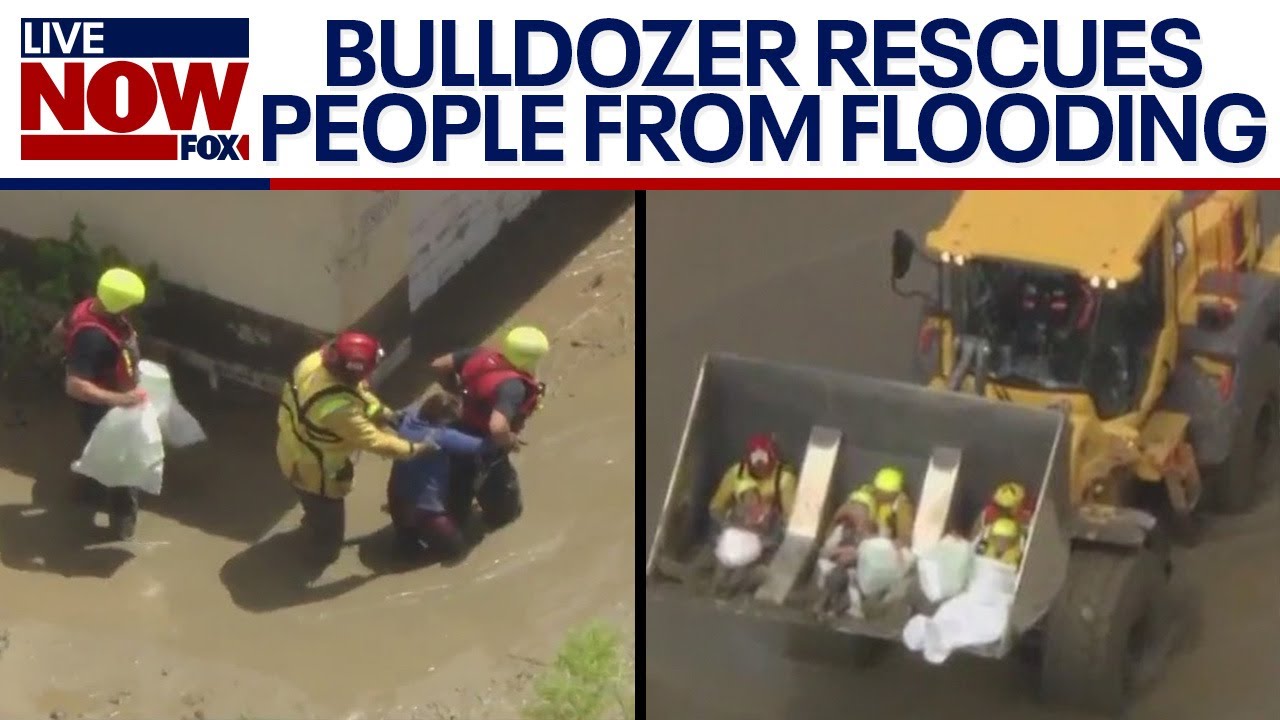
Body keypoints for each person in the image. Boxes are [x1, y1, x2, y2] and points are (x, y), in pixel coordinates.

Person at [276, 331, 433, 564]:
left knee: (312, 506)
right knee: (329, 526)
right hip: (316, 470)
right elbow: (374, 441)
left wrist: (384, 413)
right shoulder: (336, 409)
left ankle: (311, 524)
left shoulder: (314, 363)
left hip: (290, 448)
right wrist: (415, 449)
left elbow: (354, 392)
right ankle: (316, 557)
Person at [56, 267, 150, 540]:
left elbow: (59, 331)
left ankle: (87, 493)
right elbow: (75, 386)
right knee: (122, 464)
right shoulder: (93, 338)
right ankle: (121, 522)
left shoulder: (85, 308)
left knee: (96, 449)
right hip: (103, 407)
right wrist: (124, 399)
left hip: (101, 404)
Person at [429, 326, 549, 531]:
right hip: (483, 443)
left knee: (457, 488)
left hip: (460, 425)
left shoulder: (479, 354)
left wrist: (454, 391)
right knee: (505, 509)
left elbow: (439, 365)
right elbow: (497, 426)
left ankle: (452, 517)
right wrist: (510, 440)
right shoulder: (513, 388)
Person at [385, 391, 498, 562]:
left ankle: (406, 546)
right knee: (457, 552)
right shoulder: (442, 436)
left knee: (406, 549)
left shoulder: (408, 417)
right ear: (444, 421)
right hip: (425, 509)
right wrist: (506, 436)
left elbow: (391, 416)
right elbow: (482, 447)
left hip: (397, 498)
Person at [707, 433, 798, 528]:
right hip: (739, 526)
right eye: (756, 460)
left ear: (774, 460)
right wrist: (729, 524)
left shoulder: (785, 477)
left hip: (771, 528)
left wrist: (768, 517)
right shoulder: (736, 472)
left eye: (763, 460)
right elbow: (716, 507)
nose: (759, 466)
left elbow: (791, 516)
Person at [848, 466, 915, 548]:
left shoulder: (902, 504)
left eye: (886, 495)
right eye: (878, 492)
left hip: (879, 547)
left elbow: (905, 540)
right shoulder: (862, 498)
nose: (879, 496)